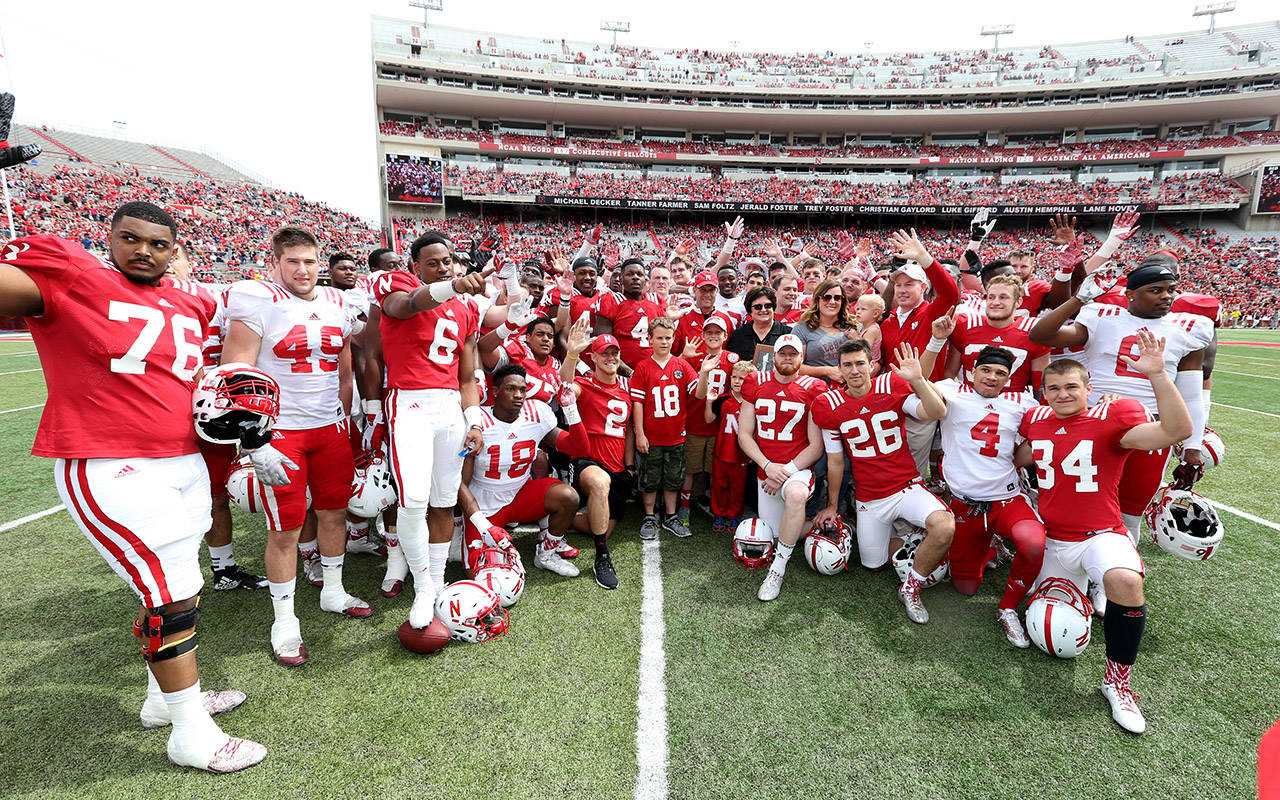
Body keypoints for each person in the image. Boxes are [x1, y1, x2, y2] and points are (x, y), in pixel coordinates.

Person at [0, 201, 265, 771]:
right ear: (110, 240)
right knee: (171, 595)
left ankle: (163, 702)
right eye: (131, 239)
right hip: (111, 462)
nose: (144, 251)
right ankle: (191, 733)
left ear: (175, 251)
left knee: (182, 584)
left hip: (183, 460)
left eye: (158, 243)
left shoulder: (190, 298)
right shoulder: (76, 278)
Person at [1021, 334, 1192, 734]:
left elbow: (1176, 430)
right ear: (1043, 393)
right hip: (1053, 540)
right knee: (1051, 628)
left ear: (1089, 389)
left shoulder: (1110, 419)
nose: (1062, 394)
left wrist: (1158, 375)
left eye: (1071, 387)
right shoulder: (1036, 420)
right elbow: (1025, 454)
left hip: (1100, 533)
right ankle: (1082, 591)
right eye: (1053, 388)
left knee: (1125, 582)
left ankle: (1117, 683)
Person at [221, 226, 371, 667]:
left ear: (319, 262)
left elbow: (345, 366)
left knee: (334, 513)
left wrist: (351, 414)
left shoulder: (339, 302)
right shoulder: (257, 301)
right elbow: (235, 372)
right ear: (275, 263)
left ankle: (333, 590)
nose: (302, 270)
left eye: (309, 261)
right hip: (282, 430)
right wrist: (254, 439)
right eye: (292, 261)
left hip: (330, 426)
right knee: (285, 529)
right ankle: (284, 620)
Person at [1029, 253, 1212, 543]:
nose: (1166, 297)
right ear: (1130, 295)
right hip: (1094, 421)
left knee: (1131, 509)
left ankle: (1119, 562)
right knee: (1079, 499)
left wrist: (1192, 448)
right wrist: (1077, 300)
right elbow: (1041, 335)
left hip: (1151, 426)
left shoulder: (1189, 328)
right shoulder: (1102, 317)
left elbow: (1192, 395)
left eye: (1171, 290)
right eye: (1156, 290)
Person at [367, 231, 489, 629]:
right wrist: (451, 286)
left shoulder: (465, 308)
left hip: (450, 408)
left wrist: (474, 420)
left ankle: (436, 580)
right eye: (432, 262)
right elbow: (406, 306)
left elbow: (466, 375)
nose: (441, 267)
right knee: (414, 502)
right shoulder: (396, 282)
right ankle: (422, 587)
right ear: (415, 266)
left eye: (447, 261)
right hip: (410, 403)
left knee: (444, 500)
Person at [811, 341, 953, 625]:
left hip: (906, 487)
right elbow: (836, 462)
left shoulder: (890, 385)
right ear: (839, 369)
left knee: (945, 525)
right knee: (872, 564)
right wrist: (832, 506)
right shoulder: (829, 404)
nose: (854, 370)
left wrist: (918, 380)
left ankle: (910, 589)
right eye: (847, 365)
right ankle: (914, 542)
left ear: (871, 365)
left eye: (860, 363)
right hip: (870, 498)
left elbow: (936, 412)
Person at [919, 342, 1043, 646]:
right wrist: (931, 349)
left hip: (1006, 498)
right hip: (967, 505)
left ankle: (1007, 608)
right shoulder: (951, 390)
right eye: (986, 370)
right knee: (965, 587)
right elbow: (917, 381)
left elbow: (1052, 425)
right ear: (972, 370)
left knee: (1033, 543)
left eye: (1000, 373)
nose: (991, 377)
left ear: (1008, 378)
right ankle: (990, 547)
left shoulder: (1022, 402)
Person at [455, 364, 588, 579]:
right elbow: (460, 483)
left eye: (522, 390)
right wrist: (480, 521)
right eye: (511, 389)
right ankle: (458, 536)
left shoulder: (535, 413)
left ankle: (546, 554)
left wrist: (571, 409)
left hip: (520, 494)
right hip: (485, 503)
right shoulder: (478, 423)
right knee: (477, 573)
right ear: (495, 391)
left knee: (568, 496)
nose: (518, 395)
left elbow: (578, 448)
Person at [736, 334, 827, 602]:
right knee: (777, 536)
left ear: (801, 357)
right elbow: (744, 434)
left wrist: (783, 471)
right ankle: (824, 524)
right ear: (773, 356)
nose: (788, 358)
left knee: (796, 496)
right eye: (783, 353)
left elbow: (816, 447)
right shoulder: (755, 381)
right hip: (766, 470)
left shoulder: (813, 387)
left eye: (793, 354)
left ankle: (777, 570)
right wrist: (767, 466)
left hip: (797, 469)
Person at [878, 229, 960, 480]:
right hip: (892, 397)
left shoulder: (932, 312)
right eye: (898, 285)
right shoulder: (888, 322)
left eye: (909, 284)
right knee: (889, 456)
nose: (902, 290)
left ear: (923, 287)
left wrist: (925, 258)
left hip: (921, 396)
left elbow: (951, 293)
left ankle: (913, 497)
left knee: (913, 462)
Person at [561, 319, 633, 590]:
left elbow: (628, 431)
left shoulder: (626, 389)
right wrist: (572, 354)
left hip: (617, 466)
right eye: (604, 353)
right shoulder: (584, 384)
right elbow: (565, 386)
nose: (610, 358)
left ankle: (558, 515)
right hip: (587, 460)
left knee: (600, 527)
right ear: (593, 357)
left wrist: (629, 466)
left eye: (614, 353)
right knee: (600, 483)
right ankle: (602, 558)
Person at [631, 317, 698, 540]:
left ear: (673, 339)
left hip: (676, 436)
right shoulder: (643, 367)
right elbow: (638, 403)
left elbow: (698, 393)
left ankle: (670, 516)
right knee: (649, 479)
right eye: (659, 338)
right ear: (650, 339)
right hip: (651, 437)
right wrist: (640, 434)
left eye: (668, 338)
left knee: (673, 478)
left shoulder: (682, 365)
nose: (664, 342)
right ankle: (650, 516)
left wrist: (706, 372)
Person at [936, 274, 1050, 394]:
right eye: (991, 297)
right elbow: (950, 373)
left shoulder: (1033, 330)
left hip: (1012, 401)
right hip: (970, 398)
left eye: (1003, 297)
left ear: (1018, 302)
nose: (995, 302)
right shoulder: (966, 325)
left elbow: (1041, 384)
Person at [685, 312, 738, 526]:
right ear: (703, 335)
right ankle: (685, 505)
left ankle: (705, 500)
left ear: (725, 335)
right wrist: (685, 357)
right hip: (695, 419)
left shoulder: (732, 359)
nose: (713, 336)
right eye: (709, 332)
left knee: (712, 469)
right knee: (691, 468)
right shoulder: (694, 355)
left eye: (718, 332)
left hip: (720, 424)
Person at [706, 359, 755, 532]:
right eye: (734, 377)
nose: (737, 381)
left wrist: (752, 452)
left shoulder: (753, 403)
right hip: (721, 451)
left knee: (737, 488)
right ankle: (719, 514)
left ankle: (734, 515)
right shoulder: (723, 399)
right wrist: (709, 402)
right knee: (718, 485)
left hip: (741, 454)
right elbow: (709, 419)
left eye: (742, 378)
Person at [594, 258, 665, 373]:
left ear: (645, 280)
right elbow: (604, 344)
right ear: (621, 280)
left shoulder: (656, 301)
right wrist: (629, 372)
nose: (635, 277)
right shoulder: (611, 300)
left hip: (653, 370)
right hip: (620, 372)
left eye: (639, 274)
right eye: (630, 274)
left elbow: (664, 340)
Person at [792, 278, 858, 384]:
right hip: (815, 388)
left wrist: (858, 341)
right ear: (817, 300)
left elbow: (872, 360)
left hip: (850, 388)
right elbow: (794, 366)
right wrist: (826, 371)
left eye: (837, 298)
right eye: (826, 297)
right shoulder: (802, 329)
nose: (832, 302)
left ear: (842, 301)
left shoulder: (853, 326)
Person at [726, 286, 788, 363]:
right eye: (758, 307)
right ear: (750, 311)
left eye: (768, 306)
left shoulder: (787, 334)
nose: (763, 310)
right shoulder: (738, 336)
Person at [853, 294, 884, 370]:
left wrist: (855, 337)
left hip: (870, 365)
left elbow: (864, 349)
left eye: (863, 309)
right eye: (857, 309)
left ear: (875, 313)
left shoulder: (872, 330)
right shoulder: (863, 327)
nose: (858, 312)